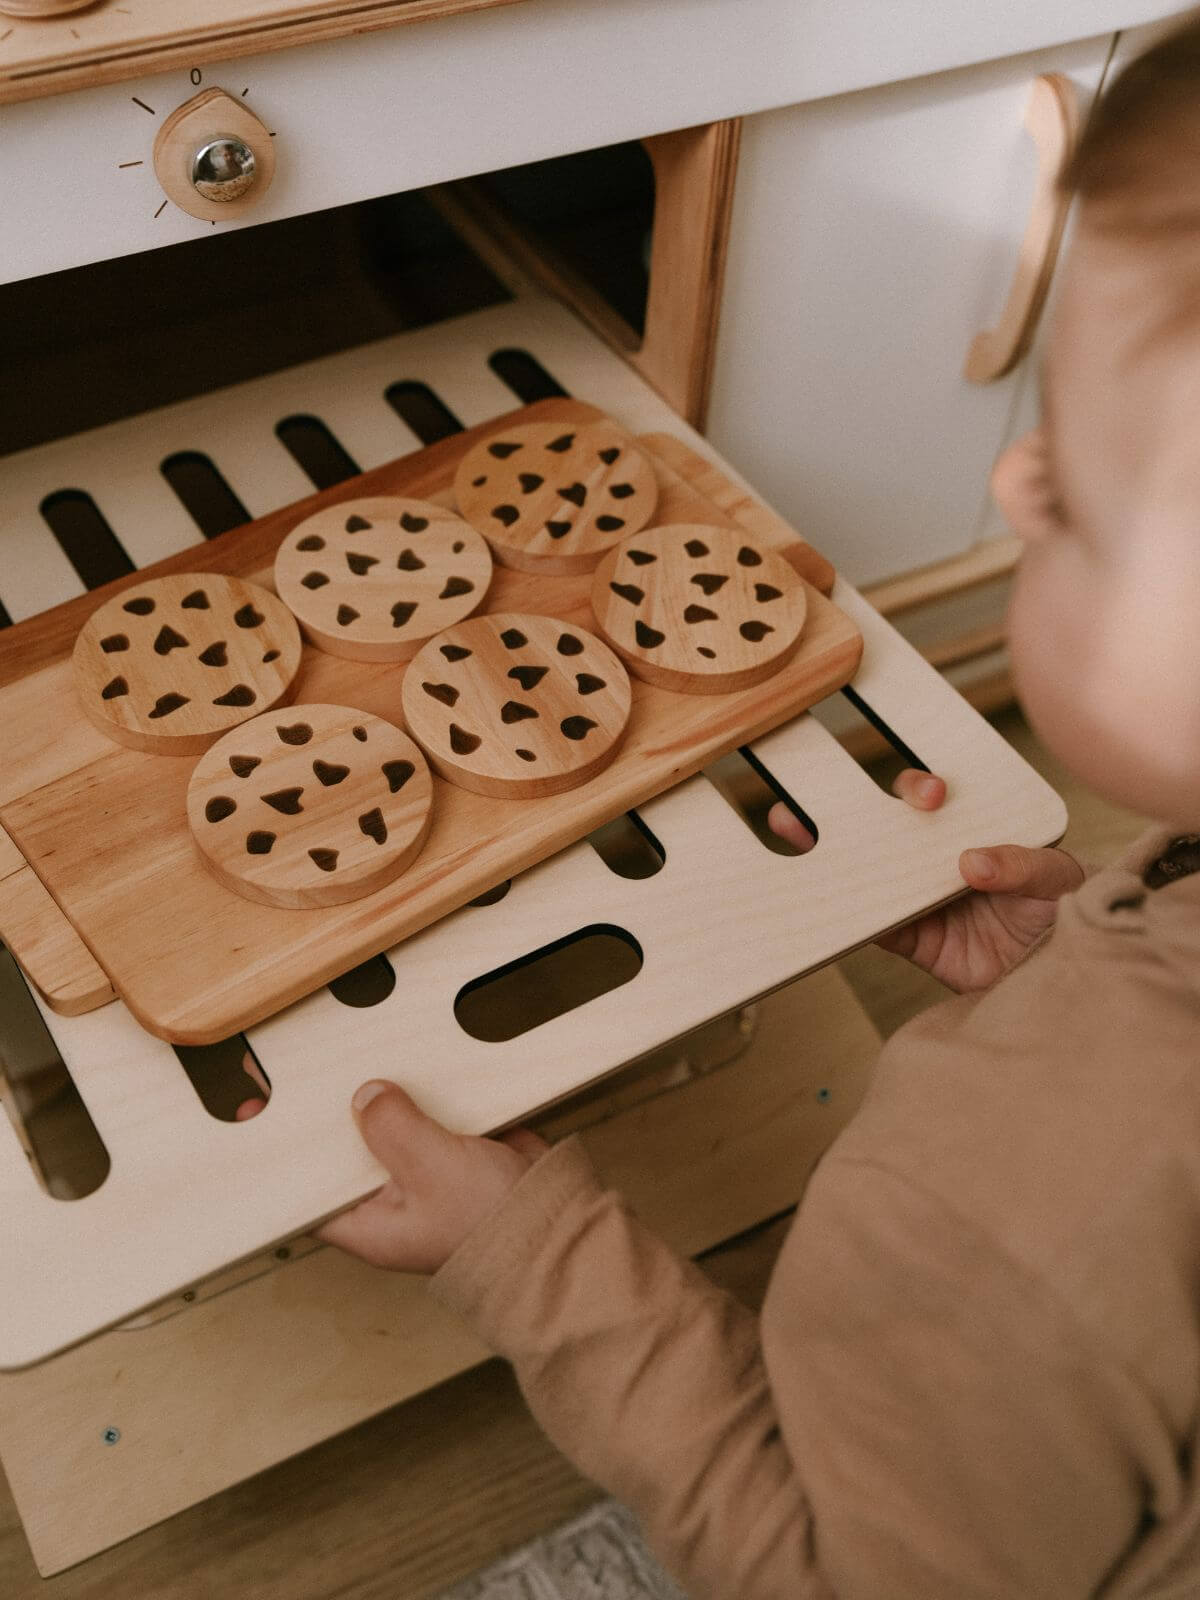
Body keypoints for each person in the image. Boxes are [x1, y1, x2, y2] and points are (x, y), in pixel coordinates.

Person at [314, 26, 1200, 1598]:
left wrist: (524, 1255)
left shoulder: (1024, 1216)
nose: (1013, 486)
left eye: (1075, 491)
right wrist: (1085, 968)